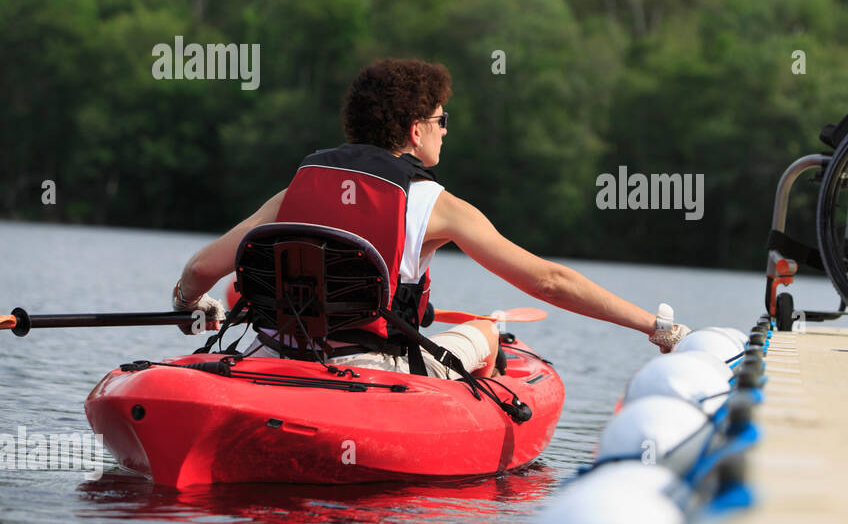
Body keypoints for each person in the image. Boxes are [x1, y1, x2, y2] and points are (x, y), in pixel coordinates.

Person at [171, 59, 688, 378]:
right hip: (368, 367)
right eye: (442, 120)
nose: (447, 131)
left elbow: (198, 272)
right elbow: (549, 282)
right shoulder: (436, 205)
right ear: (416, 131)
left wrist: (195, 306)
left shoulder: (295, 190)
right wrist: (654, 325)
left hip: (277, 352)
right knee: (488, 331)